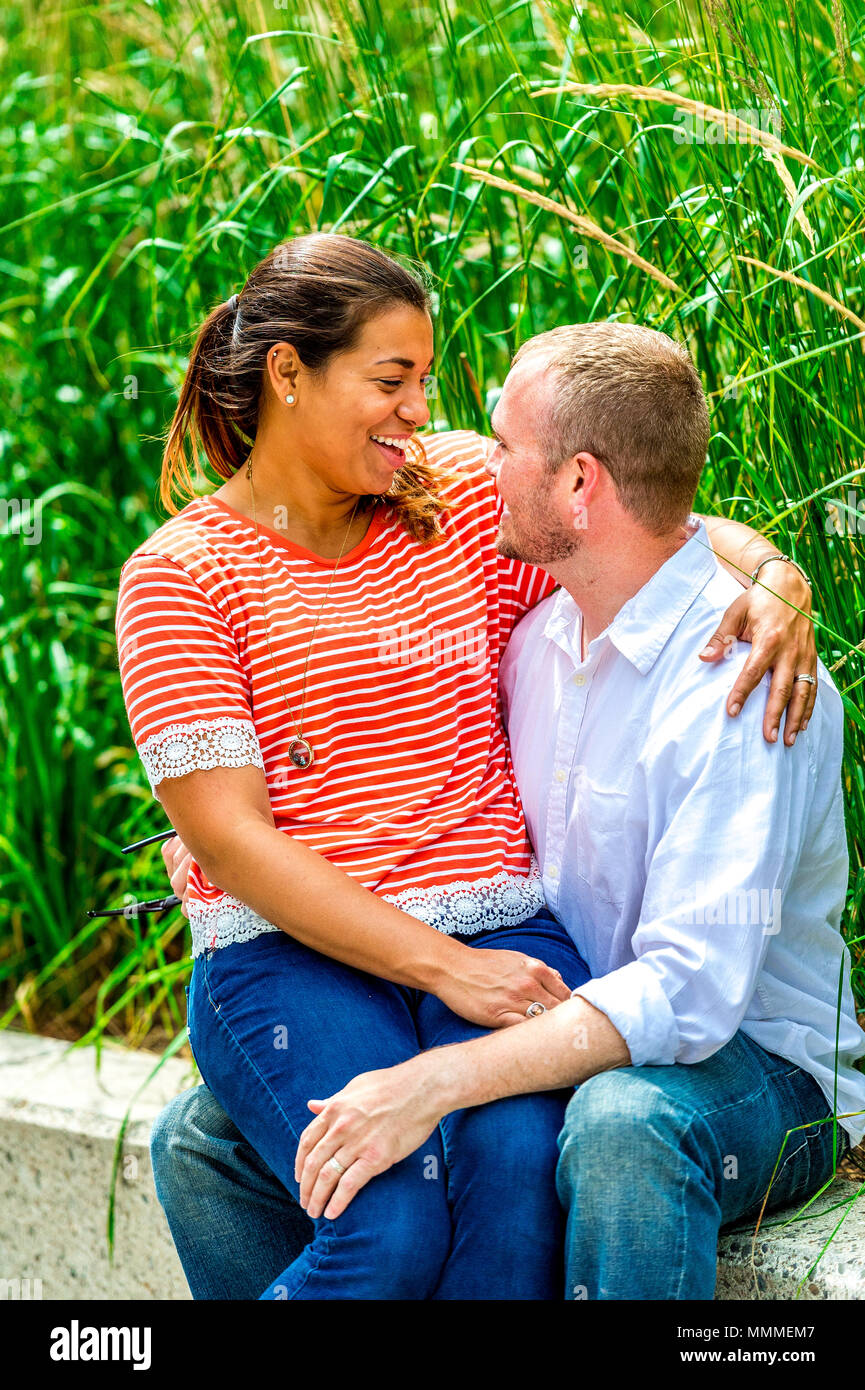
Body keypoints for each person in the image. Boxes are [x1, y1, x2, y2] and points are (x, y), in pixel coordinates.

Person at [118, 233, 817, 1300]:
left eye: (425, 382)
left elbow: (636, 514)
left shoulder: (441, 492)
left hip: (501, 924)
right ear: (289, 373)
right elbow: (230, 837)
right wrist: (447, 969)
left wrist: (775, 576)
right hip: (299, 951)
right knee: (387, 1222)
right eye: (390, 379)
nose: (418, 409)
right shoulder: (180, 576)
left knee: (510, 1199)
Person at [290, 323, 865, 1300]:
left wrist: (433, 1083)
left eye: (504, 446)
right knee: (202, 1140)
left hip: (759, 1066)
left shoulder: (744, 684)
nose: (474, 465)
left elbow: (688, 996)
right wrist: (240, 831)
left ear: (580, 485)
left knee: (621, 1126)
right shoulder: (533, 636)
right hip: (563, 1010)